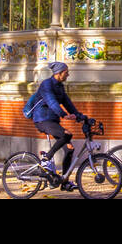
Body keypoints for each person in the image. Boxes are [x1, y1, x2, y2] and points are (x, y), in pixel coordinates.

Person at [27, 61, 81, 190]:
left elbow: (68, 104)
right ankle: (46, 158)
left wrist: (80, 116)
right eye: (66, 72)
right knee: (66, 134)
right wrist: (63, 114)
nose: (68, 74)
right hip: (42, 120)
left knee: (70, 149)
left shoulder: (60, 87)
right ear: (59, 73)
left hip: (52, 121)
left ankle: (65, 182)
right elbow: (51, 102)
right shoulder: (47, 85)